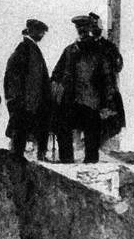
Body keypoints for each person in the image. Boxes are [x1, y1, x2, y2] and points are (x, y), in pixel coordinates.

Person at [50, 14, 118, 163]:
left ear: (89, 29)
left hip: (91, 101)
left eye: (84, 27)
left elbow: (108, 78)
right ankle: (66, 164)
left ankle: (91, 167)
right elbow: (56, 74)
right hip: (69, 101)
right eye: (78, 28)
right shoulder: (69, 50)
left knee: (92, 138)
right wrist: (56, 90)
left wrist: (108, 103)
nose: (81, 30)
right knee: (63, 131)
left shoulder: (99, 51)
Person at [3, 18, 52, 161]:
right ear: (31, 31)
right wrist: (16, 98)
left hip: (32, 101)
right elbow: (12, 76)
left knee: (28, 130)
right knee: (20, 131)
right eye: (40, 32)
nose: (42, 35)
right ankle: (16, 158)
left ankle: (28, 157)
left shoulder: (33, 48)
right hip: (24, 101)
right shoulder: (24, 48)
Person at [88, 12, 126, 144]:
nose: (94, 29)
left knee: (114, 122)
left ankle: (100, 145)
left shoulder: (108, 46)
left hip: (108, 88)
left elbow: (119, 64)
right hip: (91, 90)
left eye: (96, 25)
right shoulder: (86, 46)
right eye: (92, 26)